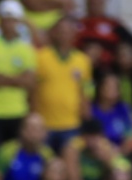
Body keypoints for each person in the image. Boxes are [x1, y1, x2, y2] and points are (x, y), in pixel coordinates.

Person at [33, 14, 92, 153]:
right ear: (54, 33)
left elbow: (86, 90)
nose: (64, 35)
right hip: (45, 124)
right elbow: (33, 90)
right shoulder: (41, 57)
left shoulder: (83, 60)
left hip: (72, 124)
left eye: (68, 31)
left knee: (70, 159)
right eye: (61, 31)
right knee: (46, 162)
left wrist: (87, 117)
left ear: (74, 34)